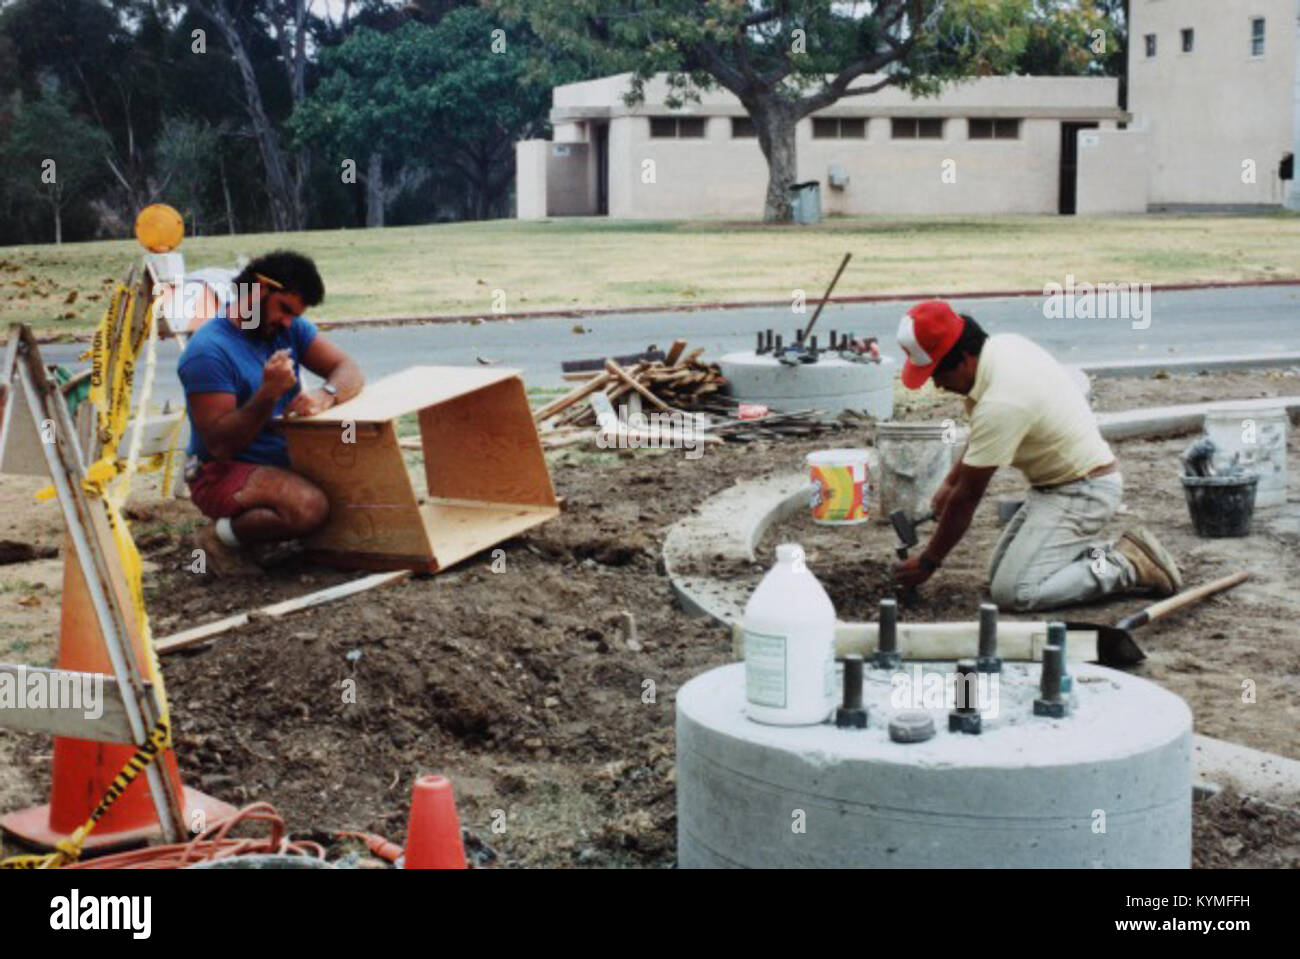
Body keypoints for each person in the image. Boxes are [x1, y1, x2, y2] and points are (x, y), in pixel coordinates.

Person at [892, 299, 1181, 612]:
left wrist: (929, 561)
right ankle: (1089, 555)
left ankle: (1127, 564)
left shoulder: (1002, 402)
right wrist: (950, 482)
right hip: (1056, 487)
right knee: (1000, 574)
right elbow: (980, 442)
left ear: (963, 359)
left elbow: (968, 498)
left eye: (937, 373)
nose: (937, 384)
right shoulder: (1003, 347)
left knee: (1017, 591)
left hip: (1084, 492)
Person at [177, 250, 363, 573]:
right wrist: (268, 393)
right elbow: (220, 446)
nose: (289, 321)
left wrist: (326, 394)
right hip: (219, 472)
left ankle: (275, 529)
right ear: (259, 291)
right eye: (285, 309)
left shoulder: (286, 328)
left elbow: (347, 368)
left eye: (295, 314)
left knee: (364, 477)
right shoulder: (207, 352)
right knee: (309, 508)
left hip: (279, 458)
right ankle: (218, 539)